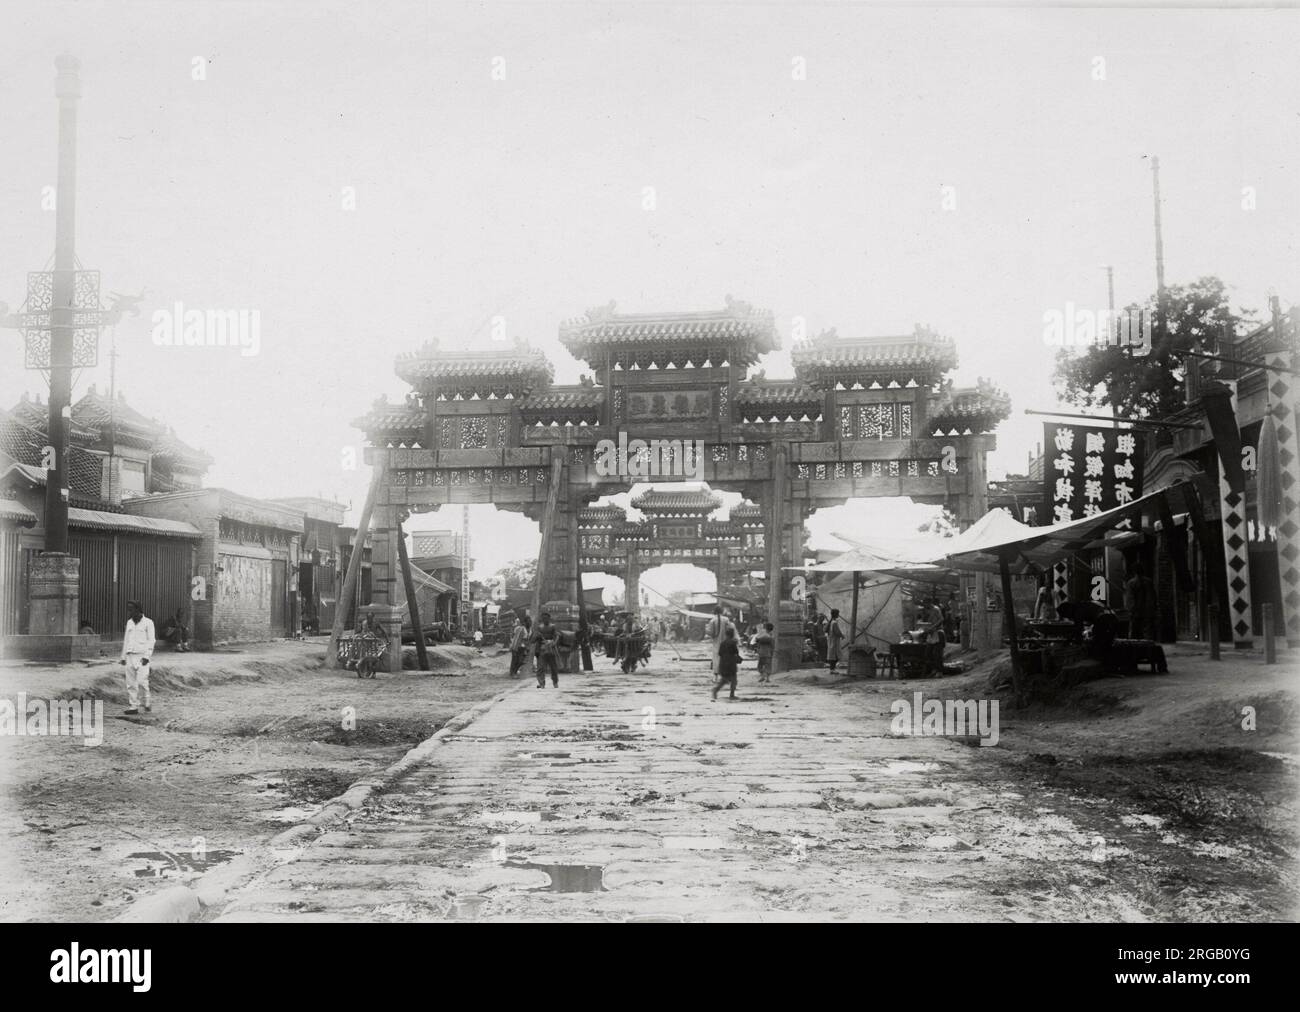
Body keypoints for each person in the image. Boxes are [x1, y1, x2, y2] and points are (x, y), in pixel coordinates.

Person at [120, 600, 155, 715]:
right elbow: (126, 640)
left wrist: (147, 656)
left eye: (132, 609)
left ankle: (147, 702)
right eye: (128, 609)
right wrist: (123, 656)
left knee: (141, 681)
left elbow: (151, 640)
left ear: (138, 609)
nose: (129, 612)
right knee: (130, 683)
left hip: (141, 656)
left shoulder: (148, 623)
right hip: (130, 655)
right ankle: (133, 706)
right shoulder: (129, 622)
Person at [1124, 562, 1156, 640]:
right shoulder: (1149, 582)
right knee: (1147, 632)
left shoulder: (1131, 583)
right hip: (1148, 611)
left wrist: (1131, 610)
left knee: (1135, 633)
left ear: (1134, 571)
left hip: (1136, 612)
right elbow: (1153, 597)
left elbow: (1130, 599)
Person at [711, 626, 741, 700]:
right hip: (731, 663)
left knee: (724, 680)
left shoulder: (723, 643)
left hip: (723, 663)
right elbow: (736, 652)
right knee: (734, 679)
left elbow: (720, 653)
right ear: (732, 634)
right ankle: (732, 694)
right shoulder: (733, 643)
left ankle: (716, 690)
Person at [532, 611, 560, 688]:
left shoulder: (553, 627)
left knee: (553, 667)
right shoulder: (539, 627)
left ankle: (555, 682)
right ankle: (541, 683)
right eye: (543, 618)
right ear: (542, 619)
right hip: (542, 649)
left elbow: (557, 636)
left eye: (546, 618)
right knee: (541, 667)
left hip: (551, 649)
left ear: (549, 618)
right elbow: (535, 639)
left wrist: (554, 643)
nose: (545, 620)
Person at [705, 606, 736, 675]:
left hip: (716, 642)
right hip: (725, 642)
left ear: (714, 611)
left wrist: (706, 630)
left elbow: (709, 632)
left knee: (716, 657)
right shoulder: (726, 619)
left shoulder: (712, 620)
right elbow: (731, 629)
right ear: (722, 611)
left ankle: (716, 674)